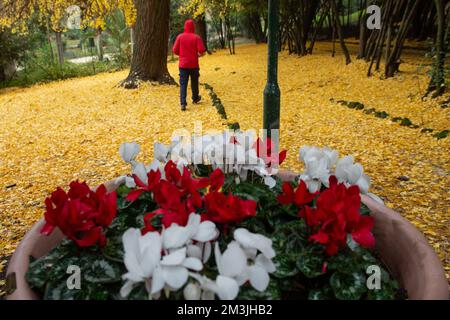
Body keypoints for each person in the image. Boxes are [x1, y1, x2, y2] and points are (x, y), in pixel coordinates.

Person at [173, 19, 206, 111]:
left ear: (185, 27)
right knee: (194, 82)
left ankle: (183, 103)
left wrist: (182, 55)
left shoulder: (180, 37)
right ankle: (195, 98)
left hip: (183, 65)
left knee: (183, 84)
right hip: (194, 64)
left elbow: (175, 50)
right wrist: (199, 54)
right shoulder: (196, 37)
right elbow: (202, 50)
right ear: (193, 27)